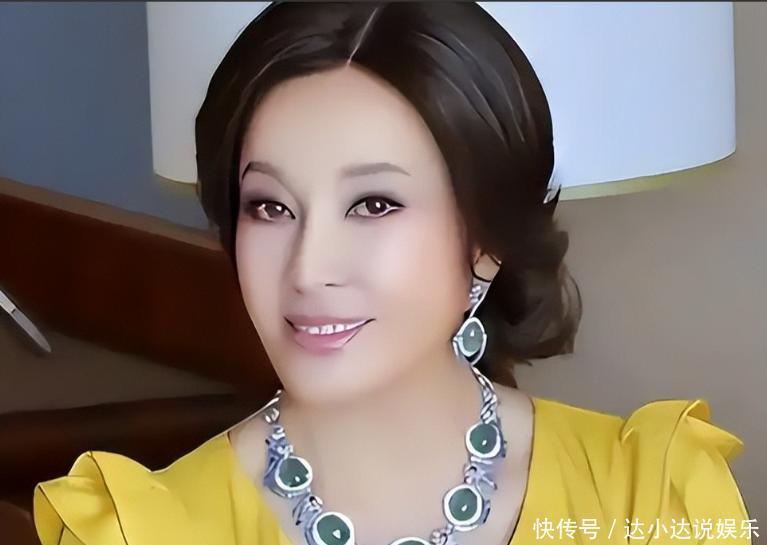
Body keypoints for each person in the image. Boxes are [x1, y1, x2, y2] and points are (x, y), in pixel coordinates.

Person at [33, 3, 752, 545]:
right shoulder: (141, 531)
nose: (308, 268)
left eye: (373, 204)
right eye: (270, 207)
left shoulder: (652, 500)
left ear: (484, 240)